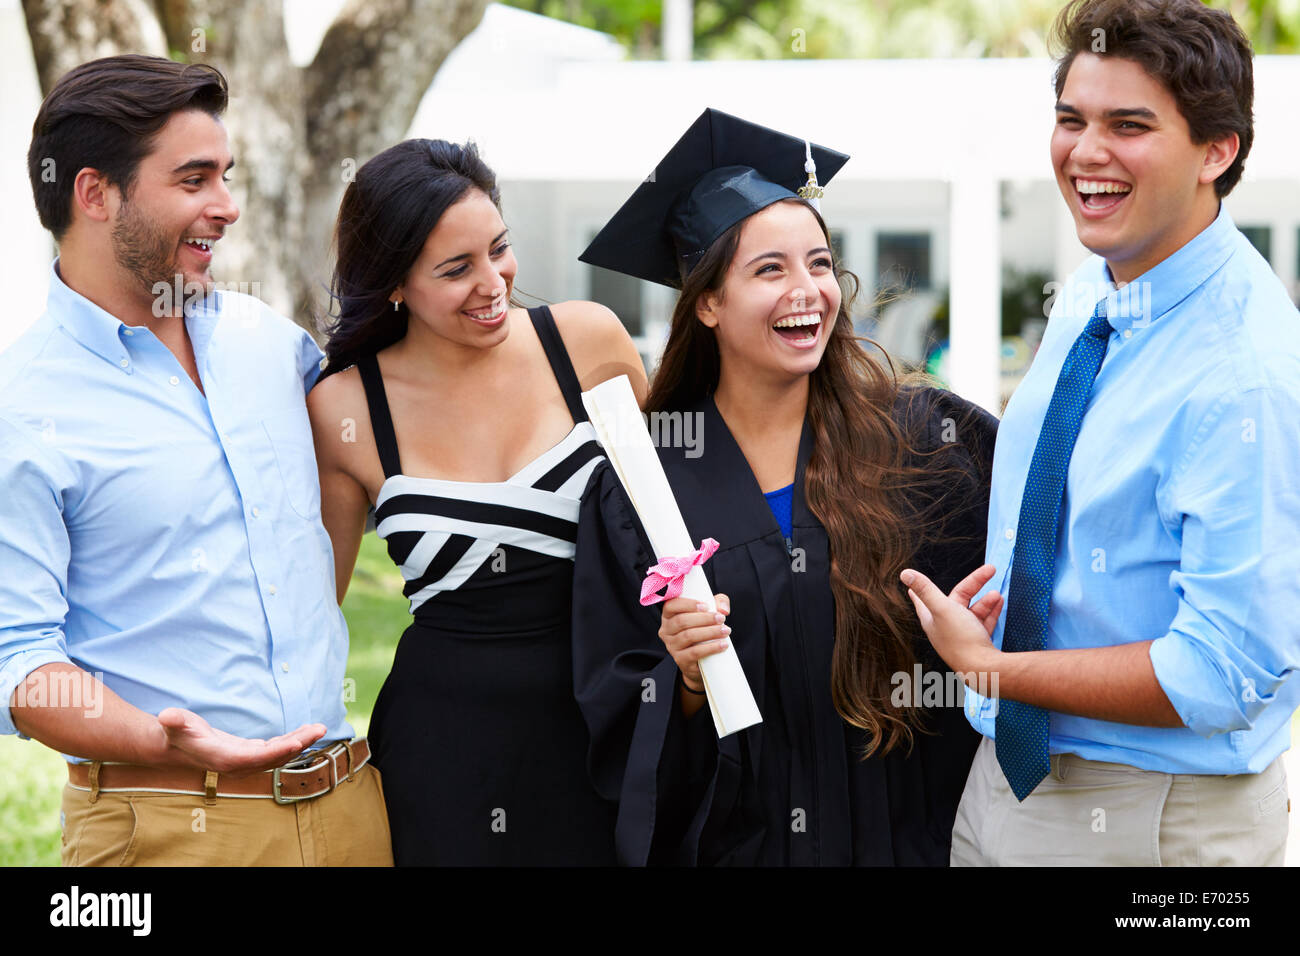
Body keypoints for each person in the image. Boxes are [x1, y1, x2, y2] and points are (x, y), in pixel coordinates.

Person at [902, 0, 1300, 866]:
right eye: (1070, 119)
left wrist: (994, 669)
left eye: (1129, 125)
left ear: (1217, 151)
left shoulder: (1249, 377)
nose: (1086, 153)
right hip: (1009, 779)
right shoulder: (1097, 286)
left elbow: (1223, 673)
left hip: (1151, 820)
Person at [571, 109, 999, 866]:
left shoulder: (924, 440)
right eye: (769, 270)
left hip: (917, 839)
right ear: (707, 302)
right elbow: (615, 708)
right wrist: (687, 680)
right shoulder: (645, 487)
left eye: (820, 263)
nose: (807, 291)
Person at [0, 54, 390, 866]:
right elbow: (18, 659)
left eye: (227, 175)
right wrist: (157, 735)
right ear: (96, 194)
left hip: (354, 811)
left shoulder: (271, 344)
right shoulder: (22, 406)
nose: (228, 206)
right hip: (166, 826)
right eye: (194, 179)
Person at [308, 138, 647, 865]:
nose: (493, 282)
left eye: (499, 249)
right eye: (456, 269)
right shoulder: (345, 408)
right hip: (443, 747)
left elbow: (675, 524)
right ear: (394, 282)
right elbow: (313, 610)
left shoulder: (587, 341)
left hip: (607, 722)